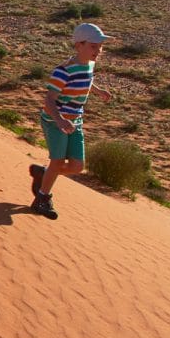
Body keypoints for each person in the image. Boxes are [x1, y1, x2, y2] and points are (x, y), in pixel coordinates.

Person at [29, 22, 117, 219]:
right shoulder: (63, 71)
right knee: (58, 161)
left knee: (77, 166)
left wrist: (98, 91)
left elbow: (86, 79)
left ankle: (44, 174)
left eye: (100, 46)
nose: (99, 50)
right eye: (94, 46)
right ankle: (41, 198)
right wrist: (59, 120)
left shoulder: (90, 65)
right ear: (79, 45)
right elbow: (49, 100)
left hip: (75, 121)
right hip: (55, 121)